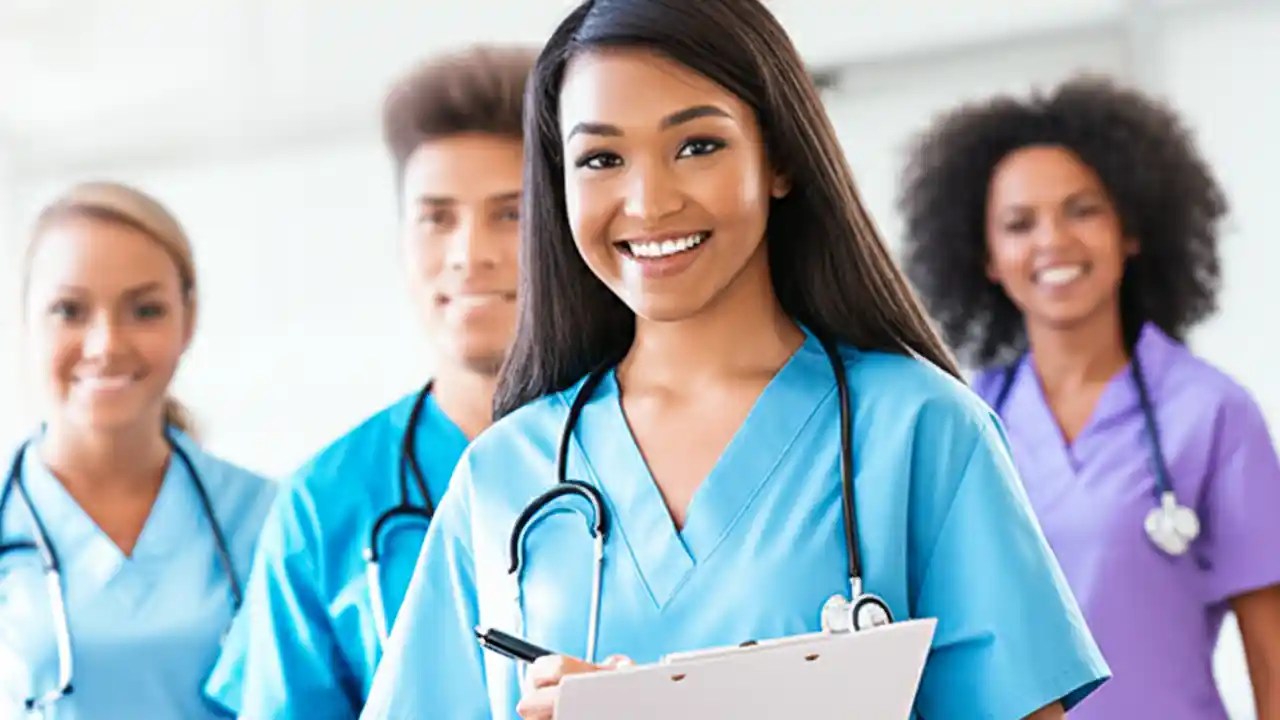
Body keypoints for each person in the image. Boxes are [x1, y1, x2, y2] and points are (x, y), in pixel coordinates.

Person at [360, 2, 1112, 719]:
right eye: (601, 158)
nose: (648, 201)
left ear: (778, 159)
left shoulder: (920, 430)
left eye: (697, 146)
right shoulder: (504, 478)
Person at [899, 76, 1280, 719]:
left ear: (1131, 230)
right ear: (986, 257)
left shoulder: (1211, 413)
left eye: (1083, 210)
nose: (1053, 242)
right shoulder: (962, 420)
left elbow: (1272, 653)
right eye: (1019, 224)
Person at [201, 45, 537, 719]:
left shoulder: (643, 451)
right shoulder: (325, 504)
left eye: (510, 213)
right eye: (436, 217)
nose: (470, 253)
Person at [0, 181, 275, 719]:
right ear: (25, 321)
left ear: (187, 320)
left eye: (145, 310)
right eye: (69, 310)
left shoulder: (269, 517)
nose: (105, 345)